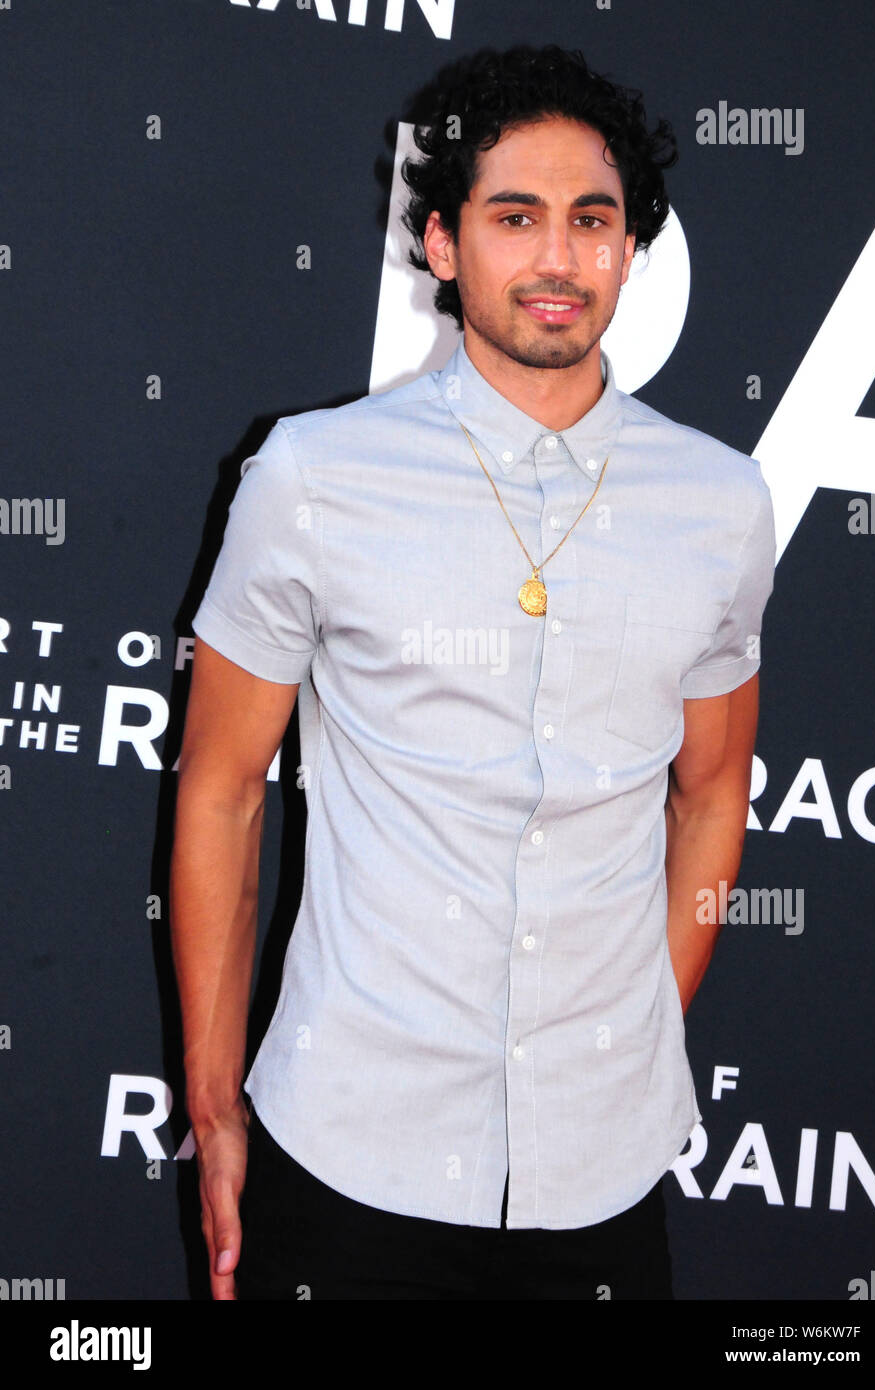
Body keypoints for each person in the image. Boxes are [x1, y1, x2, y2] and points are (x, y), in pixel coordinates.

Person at [170, 44, 775, 1301]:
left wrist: (622, 1034)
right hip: (347, 1156)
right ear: (442, 245)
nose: (556, 258)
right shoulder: (313, 477)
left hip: (603, 1180)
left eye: (590, 220)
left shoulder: (720, 503)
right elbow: (223, 793)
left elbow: (712, 792)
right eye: (514, 217)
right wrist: (214, 1101)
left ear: (626, 249)